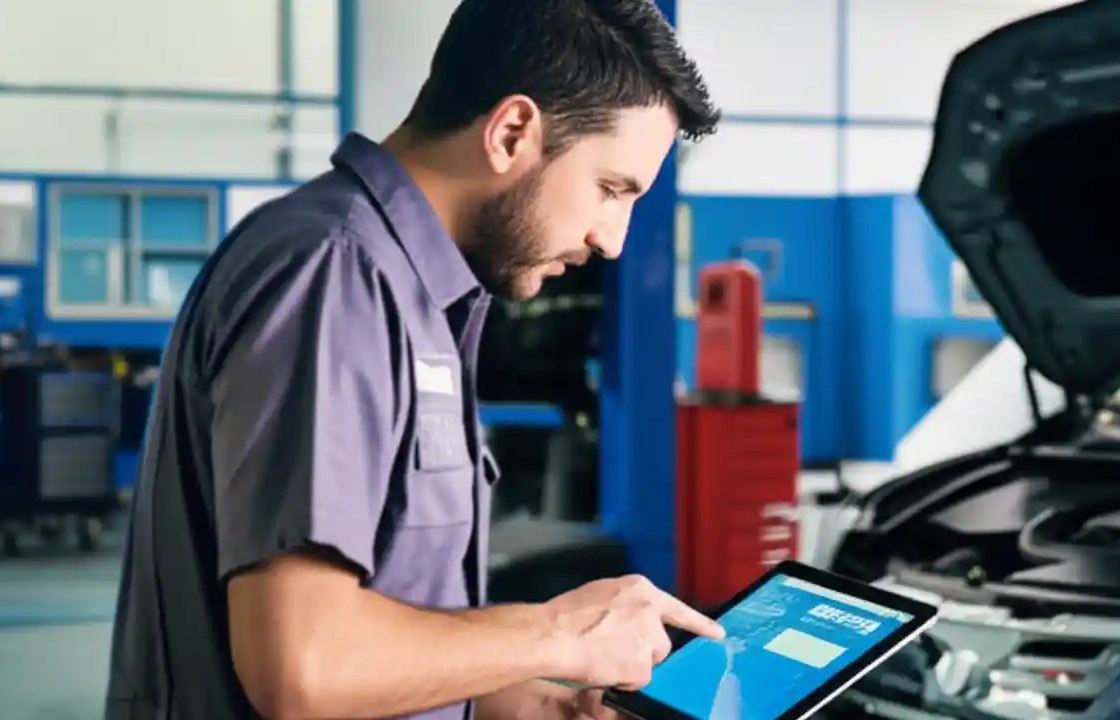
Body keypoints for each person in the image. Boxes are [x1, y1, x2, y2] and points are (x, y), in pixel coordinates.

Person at [106, 0, 723, 717]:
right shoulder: (336, 277)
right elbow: (305, 666)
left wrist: (520, 704)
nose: (612, 239)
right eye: (611, 189)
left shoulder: (414, 295)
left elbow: (384, 623)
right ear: (511, 131)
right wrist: (556, 634)